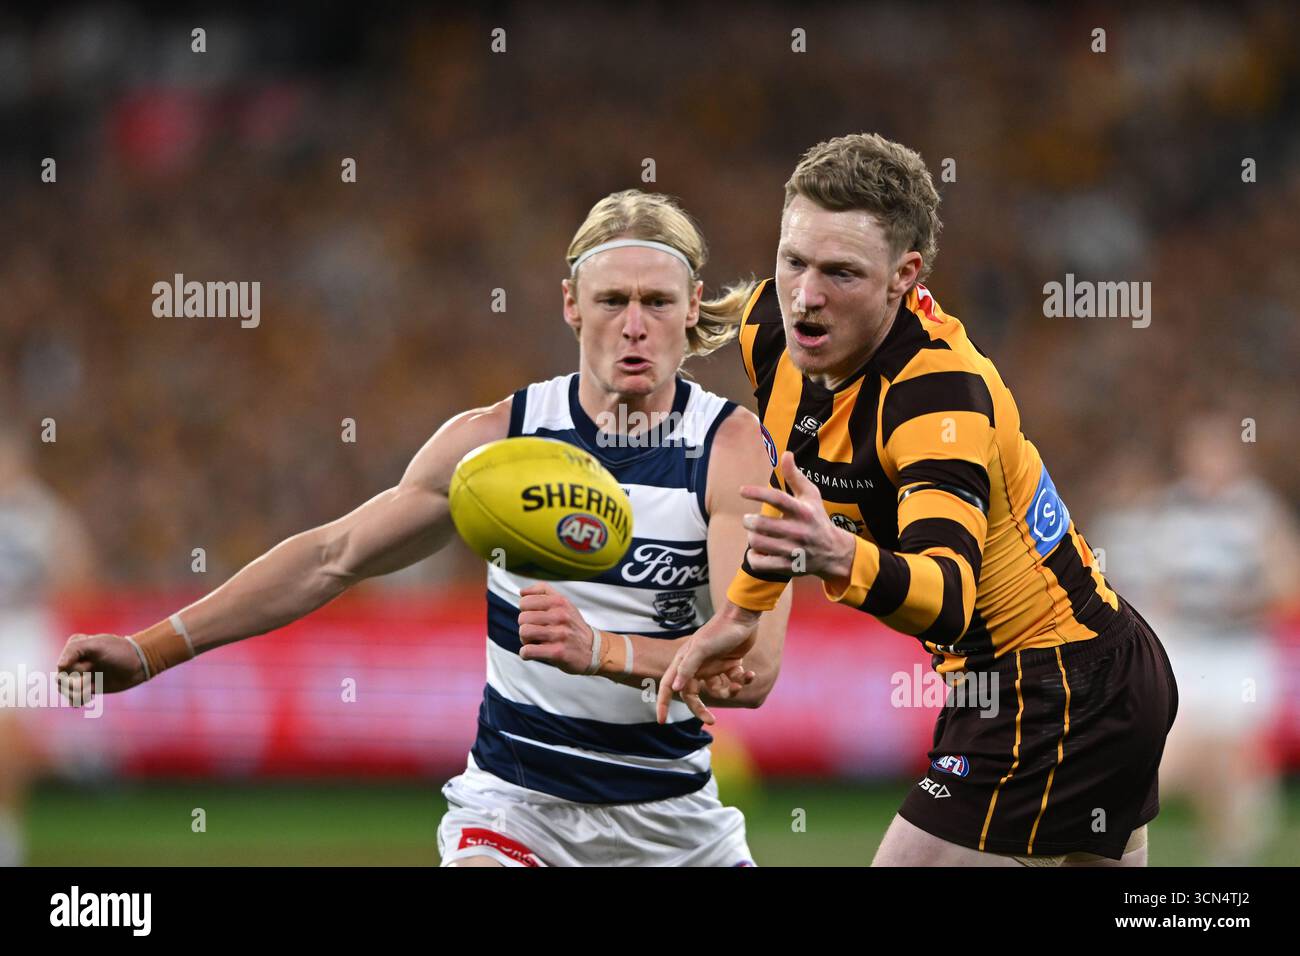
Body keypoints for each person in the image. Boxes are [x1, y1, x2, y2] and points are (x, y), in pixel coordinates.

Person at [56, 189, 791, 867]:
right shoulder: (496, 442)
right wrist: (146, 652)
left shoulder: (731, 455)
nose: (634, 325)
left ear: (694, 307)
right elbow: (330, 557)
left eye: (658, 302)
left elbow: (750, 673)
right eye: (612, 300)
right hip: (516, 807)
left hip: (676, 825)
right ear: (570, 304)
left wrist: (600, 650)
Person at [657, 133, 1178, 866]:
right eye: (792, 261)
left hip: (1051, 685)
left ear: (905, 275)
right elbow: (787, 506)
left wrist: (839, 553)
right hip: (1088, 675)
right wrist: (739, 616)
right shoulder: (777, 334)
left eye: (841, 272)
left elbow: (949, 594)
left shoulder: (939, 400)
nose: (806, 296)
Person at [1092, 414, 1299, 864]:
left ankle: (1232, 847)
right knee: (1172, 751)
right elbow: (1147, 582)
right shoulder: (1169, 510)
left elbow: (1286, 583)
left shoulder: (1256, 510)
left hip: (1238, 653)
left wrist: (1239, 601)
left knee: (1232, 753)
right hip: (1184, 649)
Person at [0, 426, 96, 865]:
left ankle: (7, 832)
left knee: (9, 733)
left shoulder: (42, 515)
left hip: (23, 629)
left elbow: (77, 576)